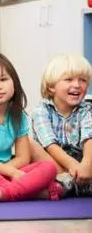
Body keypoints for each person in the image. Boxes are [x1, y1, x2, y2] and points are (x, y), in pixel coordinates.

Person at [0, 52, 63, 204]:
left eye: (3, 79)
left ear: (13, 82)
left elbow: (23, 157)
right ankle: (31, 193)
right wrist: (11, 172)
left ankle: (0, 194)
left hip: (9, 171)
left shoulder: (18, 116)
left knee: (49, 167)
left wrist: (9, 171)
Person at [31, 54, 92, 196]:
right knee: (29, 145)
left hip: (83, 166)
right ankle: (67, 182)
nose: (77, 85)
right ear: (52, 87)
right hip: (57, 165)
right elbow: (50, 145)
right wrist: (73, 166)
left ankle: (74, 185)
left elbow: (89, 139)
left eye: (82, 80)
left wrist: (86, 165)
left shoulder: (86, 110)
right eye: (68, 80)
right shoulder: (41, 111)